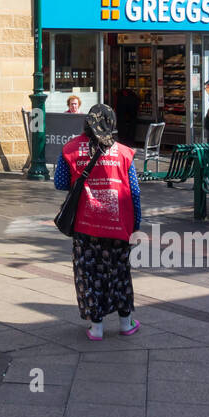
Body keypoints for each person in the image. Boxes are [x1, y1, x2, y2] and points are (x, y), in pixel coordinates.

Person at [54, 104, 142, 338]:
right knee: (120, 273)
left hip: (85, 225)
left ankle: (96, 327)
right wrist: (136, 224)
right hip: (118, 225)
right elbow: (134, 192)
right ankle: (126, 323)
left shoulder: (70, 149)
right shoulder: (124, 153)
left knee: (89, 274)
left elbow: (61, 183)